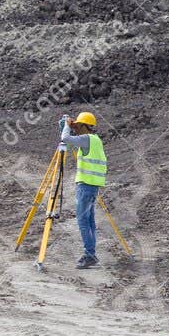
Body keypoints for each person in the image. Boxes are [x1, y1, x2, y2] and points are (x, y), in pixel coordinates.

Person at [59, 112, 107, 269]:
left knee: (82, 221)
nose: (76, 129)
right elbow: (73, 143)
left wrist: (66, 126)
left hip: (85, 185)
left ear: (84, 126)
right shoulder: (95, 140)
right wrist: (69, 127)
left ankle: (89, 254)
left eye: (78, 126)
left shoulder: (86, 139)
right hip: (93, 186)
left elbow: (65, 139)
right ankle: (91, 252)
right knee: (89, 220)